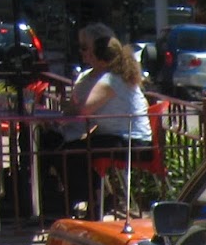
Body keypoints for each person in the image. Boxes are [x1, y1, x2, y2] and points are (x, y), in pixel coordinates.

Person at [62, 33, 152, 216]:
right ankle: (99, 196)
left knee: (72, 151)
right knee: (75, 148)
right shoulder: (121, 75)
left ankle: (94, 199)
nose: (89, 59)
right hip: (132, 139)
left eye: (91, 54)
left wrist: (74, 102)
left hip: (130, 142)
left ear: (100, 59)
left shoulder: (110, 80)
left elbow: (84, 110)